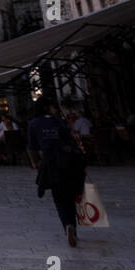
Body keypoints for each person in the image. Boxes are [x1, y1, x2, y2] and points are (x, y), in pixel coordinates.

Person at [28, 102, 87, 247]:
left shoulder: (34, 124)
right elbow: (71, 140)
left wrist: (35, 163)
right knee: (71, 194)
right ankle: (72, 225)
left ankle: (67, 225)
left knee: (59, 196)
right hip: (69, 160)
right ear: (47, 108)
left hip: (51, 161)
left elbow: (32, 146)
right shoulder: (57, 121)